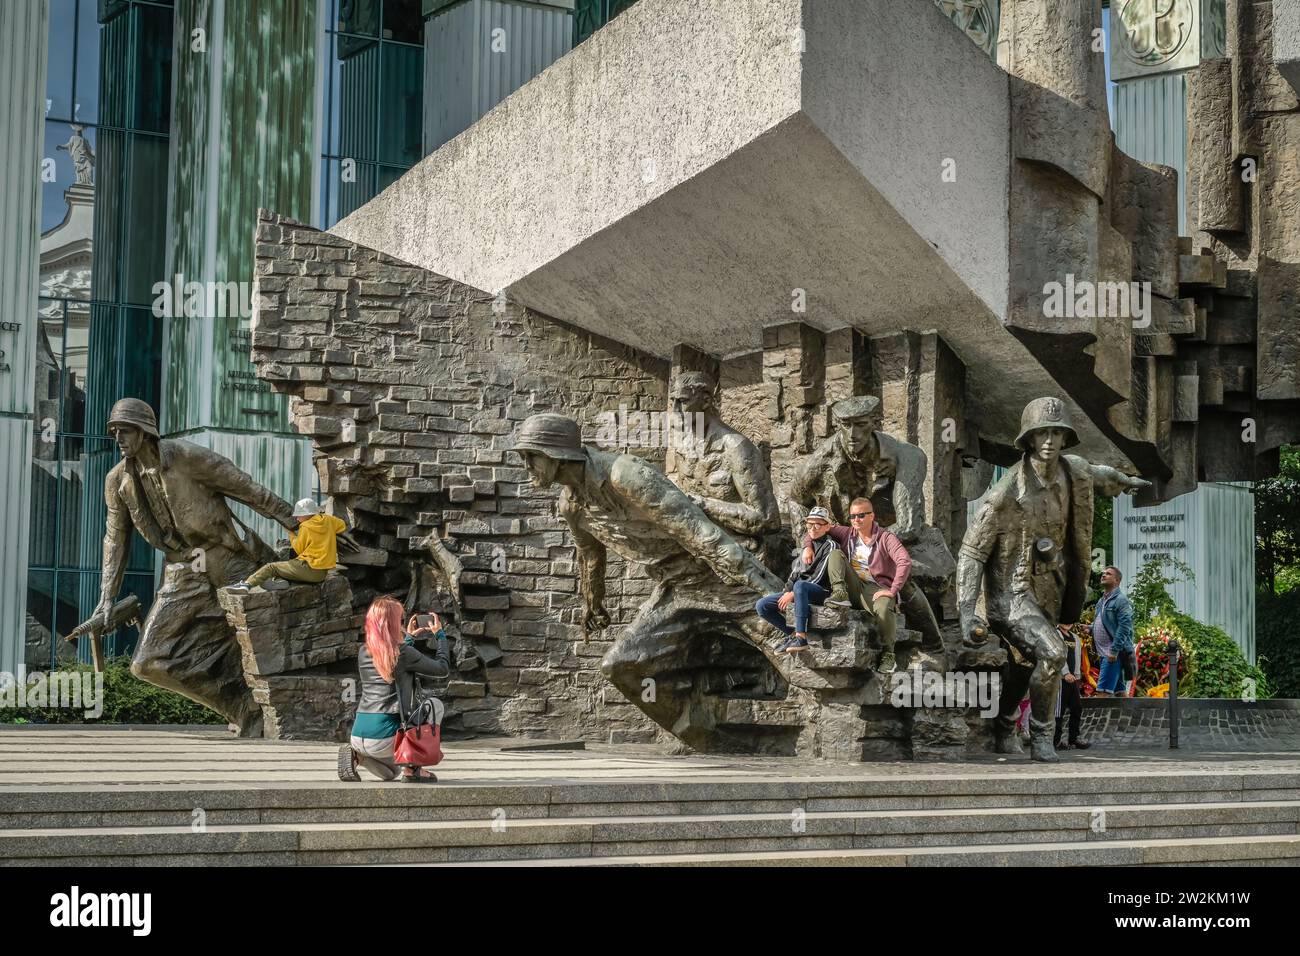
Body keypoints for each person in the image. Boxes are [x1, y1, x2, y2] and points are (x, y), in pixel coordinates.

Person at [957, 397, 1149, 762]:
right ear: (1028, 439)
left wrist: (1124, 480)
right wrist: (967, 612)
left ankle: (1004, 722)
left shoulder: (1073, 471)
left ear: (1065, 438)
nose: (1049, 440)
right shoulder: (1004, 495)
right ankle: (1043, 736)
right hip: (1010, 596)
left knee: (1024, 665)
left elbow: (1099, 474)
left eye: (1056, 433)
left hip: (1051, 591)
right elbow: (971, 554)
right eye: (1041, 432)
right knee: (1052, 653)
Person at [339, 596, 450, 783]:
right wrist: (440, 635)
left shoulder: (363, 651)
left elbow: (390, 660)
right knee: (435, 704)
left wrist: (409, 638)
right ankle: (413, 769)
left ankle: (357, 756)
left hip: (359, 735)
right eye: (400, 620)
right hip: (385, 737)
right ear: (392, 623)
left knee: (391, 774)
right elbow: (442, 669)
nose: (401, 624)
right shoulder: (404, 653)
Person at [813, 497, 920, 671]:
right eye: (853, 516)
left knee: (884, 608)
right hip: (852, 586)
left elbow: (904, 561)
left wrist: (892, 591)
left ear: (872, 516)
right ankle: (839, 593)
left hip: (876, 589)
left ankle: (888, 654)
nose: (856, 520)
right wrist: (807, 547)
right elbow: (816, 529)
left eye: (861, 515)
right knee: (835, 554)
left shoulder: (886, 538)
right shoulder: (848, 533)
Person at [755, 507, 838, 653]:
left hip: (821, 591)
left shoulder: (831, 546)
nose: (813, 528)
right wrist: (787, 592)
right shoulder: (806, 548)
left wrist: (793, 593)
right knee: (762, 605)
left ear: (827, 526)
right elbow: (795, 574)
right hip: (799, 590)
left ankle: (801, 638)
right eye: (809, 524)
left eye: (818, 524)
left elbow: (819, 576)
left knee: (800, 586)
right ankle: (792, 634)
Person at [228, 498, 347, 592]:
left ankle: (246, 585)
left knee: (271, 567)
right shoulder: (328, 520)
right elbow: (342, 525)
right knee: (286, 566)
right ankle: (281, 582)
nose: (296, 517)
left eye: (299, 514)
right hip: (322, 573)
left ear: (308, 514)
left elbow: (297, 549)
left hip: (310, 570)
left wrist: (290, 533)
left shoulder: (306, 527)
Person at [1092, 566, 1135, 698]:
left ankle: (1095, 719)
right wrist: (1089, 628)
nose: (1103, 575)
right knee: (1120, 693)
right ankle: (1129, 718)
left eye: (1108, 574)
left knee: (1102, 694)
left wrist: (1114, 650)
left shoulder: (1121, 600)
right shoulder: (1101, 601)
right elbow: (1104, 623)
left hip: (1111, 653)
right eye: (1103, 573)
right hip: (1105, 652)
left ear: (1117, 580)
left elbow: (1124, 626)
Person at [1055, 624, 1091, 750]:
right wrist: (1065, 672)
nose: (1068, 623)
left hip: (1073, 679)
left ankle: (1074, 738)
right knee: (1058, 711)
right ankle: (1056, 740)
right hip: (1061, 679)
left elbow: (1077, 657)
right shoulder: (1056, 634)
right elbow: (1057, 654)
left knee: (1077, 708)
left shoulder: (1075, 637)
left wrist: (1076, 674)